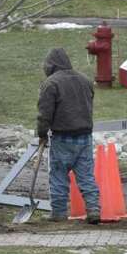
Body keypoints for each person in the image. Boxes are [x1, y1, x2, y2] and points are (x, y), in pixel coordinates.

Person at [37, 46, 101, 224]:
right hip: (85, 136)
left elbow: (44, 113)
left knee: (58, 176)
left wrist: (41, 133)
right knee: (86, 175)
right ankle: (94, 210)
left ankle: (58, 213)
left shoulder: (51, 84)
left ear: (50, 65)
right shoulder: (85, 80)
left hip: (62, 138)